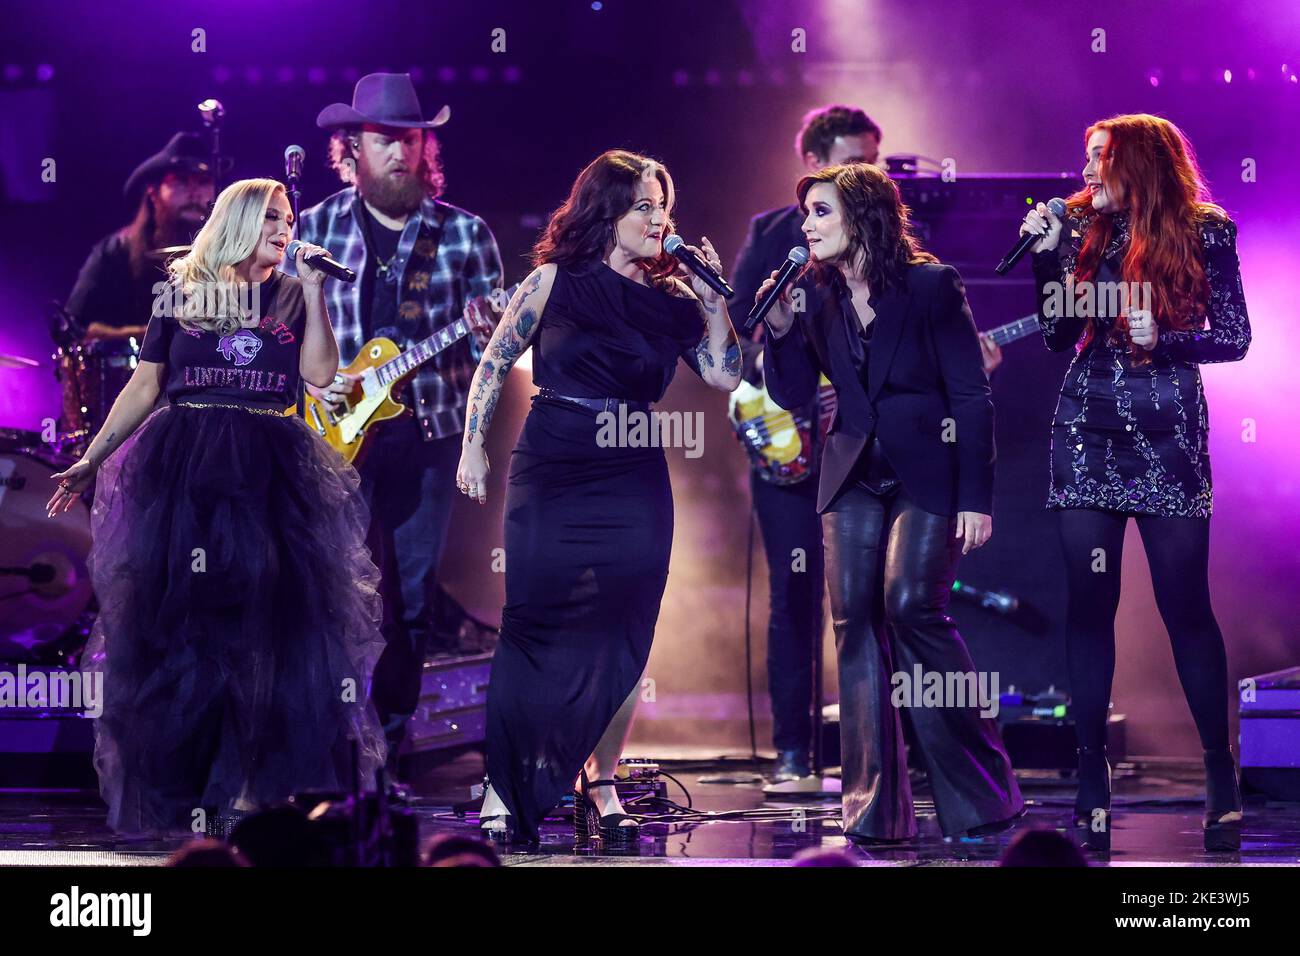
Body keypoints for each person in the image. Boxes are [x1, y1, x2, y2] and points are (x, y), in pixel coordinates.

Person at [48, 178, 385, 836]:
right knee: (183, 630)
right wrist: (93, 455)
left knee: (267, 628)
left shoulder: (291, 292)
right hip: (187, 464)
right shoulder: (180, 295)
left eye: (289, 219)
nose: (286, 229)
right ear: (237, 223)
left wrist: (315, 289)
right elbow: (147, 383)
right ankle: (190, 788)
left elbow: (319, 376)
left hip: (269, 467)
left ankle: (254, 792)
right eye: (273, 219)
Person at [457, 150, 742, 844]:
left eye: (662, 205)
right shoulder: (553, 281)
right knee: (533, 621)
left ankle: (602, 782)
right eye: (643, 204)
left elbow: (725, 375)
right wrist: (472, 445)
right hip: (554, 458)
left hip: (631, 465)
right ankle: (505, 782)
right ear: (606, 210)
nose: (658, 218)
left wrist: (713, 309)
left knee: (623, 626)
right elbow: (493, 365)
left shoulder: (671, 300)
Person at [729, 105, 1003, 783]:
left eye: (821, 215)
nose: (809, 227)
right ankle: (865, 795)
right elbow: (786, 390)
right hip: (833, 467)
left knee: (911, 607)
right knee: (839, 617)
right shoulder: (803, 276)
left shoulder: (929, 281)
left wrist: (975, 496)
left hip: (917, 473)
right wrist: (786, 330)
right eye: (809, 212)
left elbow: (968, 395)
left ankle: (969, 778)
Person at [1020, 113, 1251, 852]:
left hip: (1166, 429)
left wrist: (1169, 337)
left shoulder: (1205, 227)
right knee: (1090, 604)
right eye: (1084, 157)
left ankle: (1221, 777)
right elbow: (1059, 334)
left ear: (1140, 164)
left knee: (1186, 607)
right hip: (1086, 426)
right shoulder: (1084, 231)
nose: (1085, 172)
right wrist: (1047, 258)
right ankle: (1092, 781)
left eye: (1099, 159)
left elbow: (1237, 335)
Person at [297, 73, 505, 770]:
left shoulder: (466, 234)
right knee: (334, 590)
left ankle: (388, 742)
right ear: (351, 146)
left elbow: (496, 352)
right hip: (333, 440)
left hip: (428, 431)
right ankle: (329, 745)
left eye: (410, 138)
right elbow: (282, 331)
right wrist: (313, 387)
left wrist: (488, 330)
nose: (398, 151)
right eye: (384, 138)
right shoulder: (316, 227)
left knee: (410, 599)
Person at [66, 132, 216, 343]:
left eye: (203, 182)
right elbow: (76, 326)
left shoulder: (231, 255)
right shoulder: (115, 252)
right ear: (153, 193)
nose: (194, 193)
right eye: (181, 182)